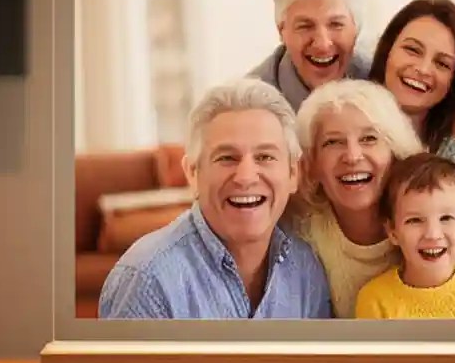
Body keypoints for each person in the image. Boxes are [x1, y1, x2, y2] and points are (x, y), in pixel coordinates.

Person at [285, 78, 455, 319]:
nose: (352, 156)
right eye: (332, 142)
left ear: (394, 151)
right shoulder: (303, 233)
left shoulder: (443, 219)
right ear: (312, 164)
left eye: (369, 138)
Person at [99, 78, 332, 319]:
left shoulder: (306, 268)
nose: (245, 177)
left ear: (294, 173)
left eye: (264, 157)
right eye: (226, 158)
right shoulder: (147, 282)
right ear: (193, 173)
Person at [366, 0, 455, 219]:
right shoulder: (348, 117)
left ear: (453, 79)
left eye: (442, 64)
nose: (423, 69)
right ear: (388, 50)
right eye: (412, 50)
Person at [355, 152, 455, 319]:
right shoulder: (375, 300)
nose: (433, 234)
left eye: (446, 218)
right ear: (393, 231)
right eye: (415, 220)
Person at [247, 0, 372, 112]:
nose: (322, 44)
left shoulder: (382, 83)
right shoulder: (250, 107)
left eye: (336, 24)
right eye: (305, 26)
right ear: (281, 30)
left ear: (356, 29)